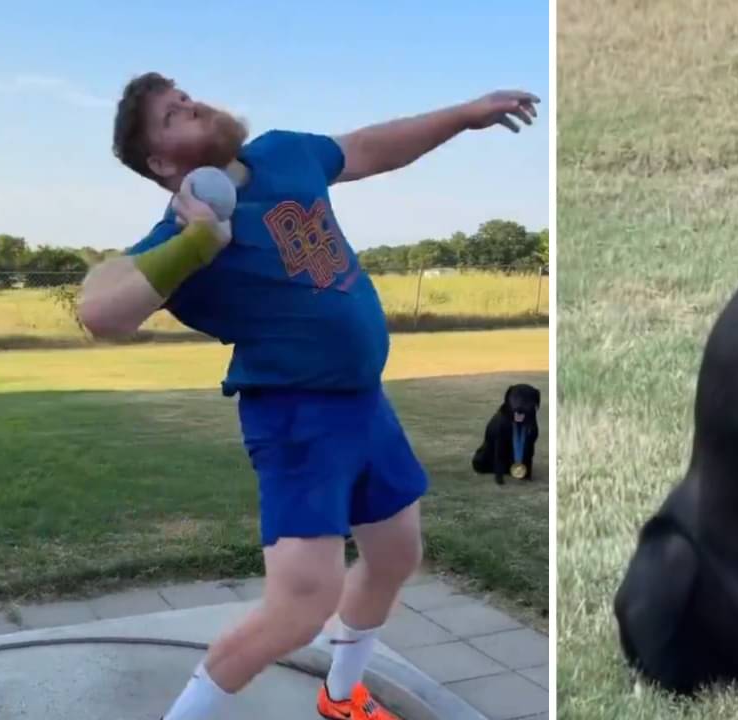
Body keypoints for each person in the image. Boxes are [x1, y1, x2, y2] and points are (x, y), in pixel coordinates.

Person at [78, 72, 539, 720]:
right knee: (300, 605)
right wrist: (196, 244)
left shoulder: (283, 152)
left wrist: (465, 114)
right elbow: (100, 309)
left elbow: (371, 147)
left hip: (364, 403)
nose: (193, 104)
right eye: (173, 115)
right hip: (296, 417)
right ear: (160, 161)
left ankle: (341, 695)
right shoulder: (186, 234)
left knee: (396, 553)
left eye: (186, 97)